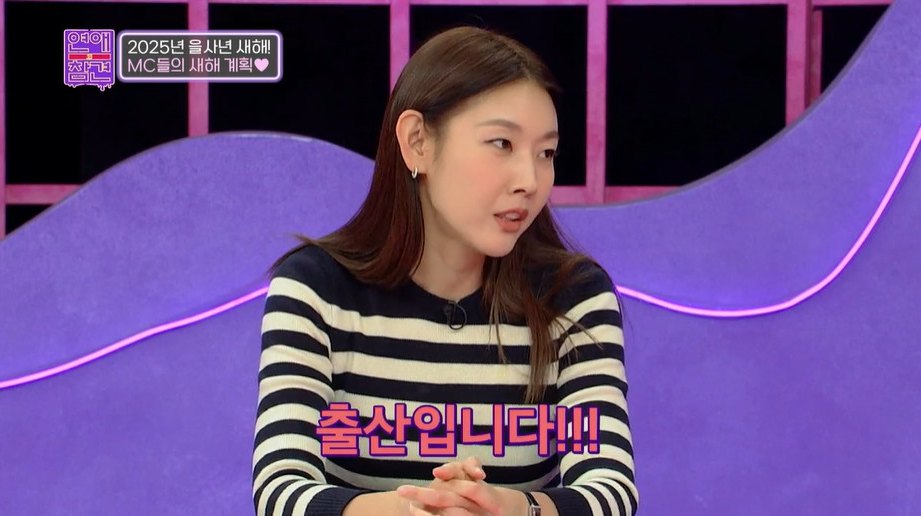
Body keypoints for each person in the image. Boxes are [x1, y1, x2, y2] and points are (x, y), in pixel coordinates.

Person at [252, 26, 638, 516]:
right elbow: (280, 490)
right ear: (417, 141)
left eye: (546, 153)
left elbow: (610, 493)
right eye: (502, 143)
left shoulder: (573, 296)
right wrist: (415, 509)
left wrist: (512, 508)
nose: (530, 180)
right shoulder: (316, 290)